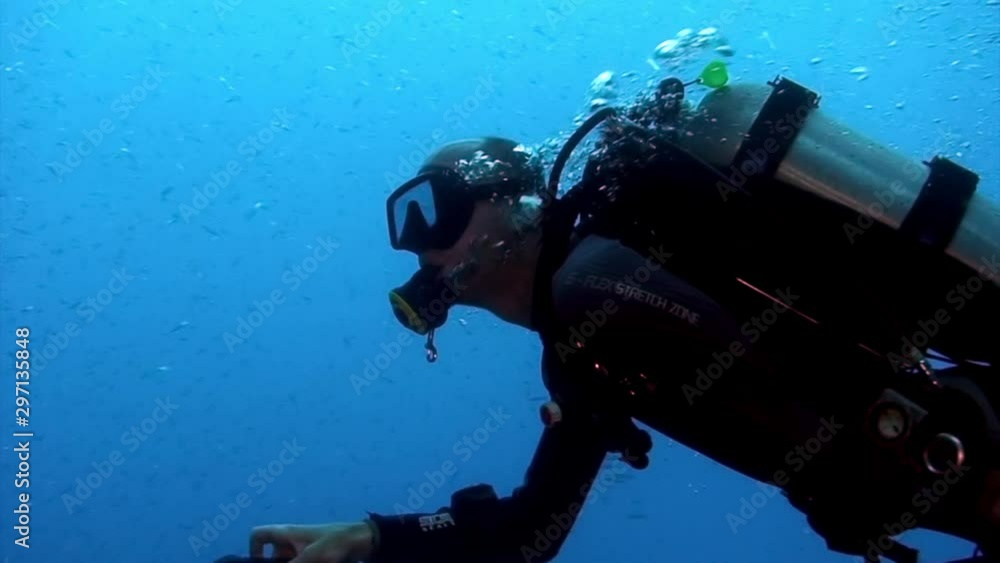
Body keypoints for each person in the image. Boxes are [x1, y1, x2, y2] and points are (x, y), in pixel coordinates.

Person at [243, 70, 1000, 563]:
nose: (420, 248)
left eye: (434, 210)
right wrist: (374, 537)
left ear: (513, 203)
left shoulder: (593, 290)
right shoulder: (577, 347)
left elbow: (867, 448)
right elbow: (529, 529)